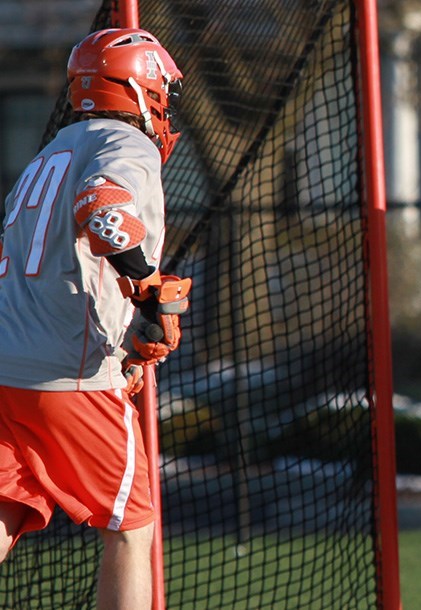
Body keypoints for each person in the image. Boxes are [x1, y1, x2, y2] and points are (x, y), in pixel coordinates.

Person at [0, 28, 189, 609]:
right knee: (132, 526)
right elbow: (104, 208)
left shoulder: (49, 152)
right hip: (68, 375)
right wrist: (148, 284)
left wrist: (132, 336)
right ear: (137, 85)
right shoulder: (123, 145)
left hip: (7, 368)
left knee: (8, 505)